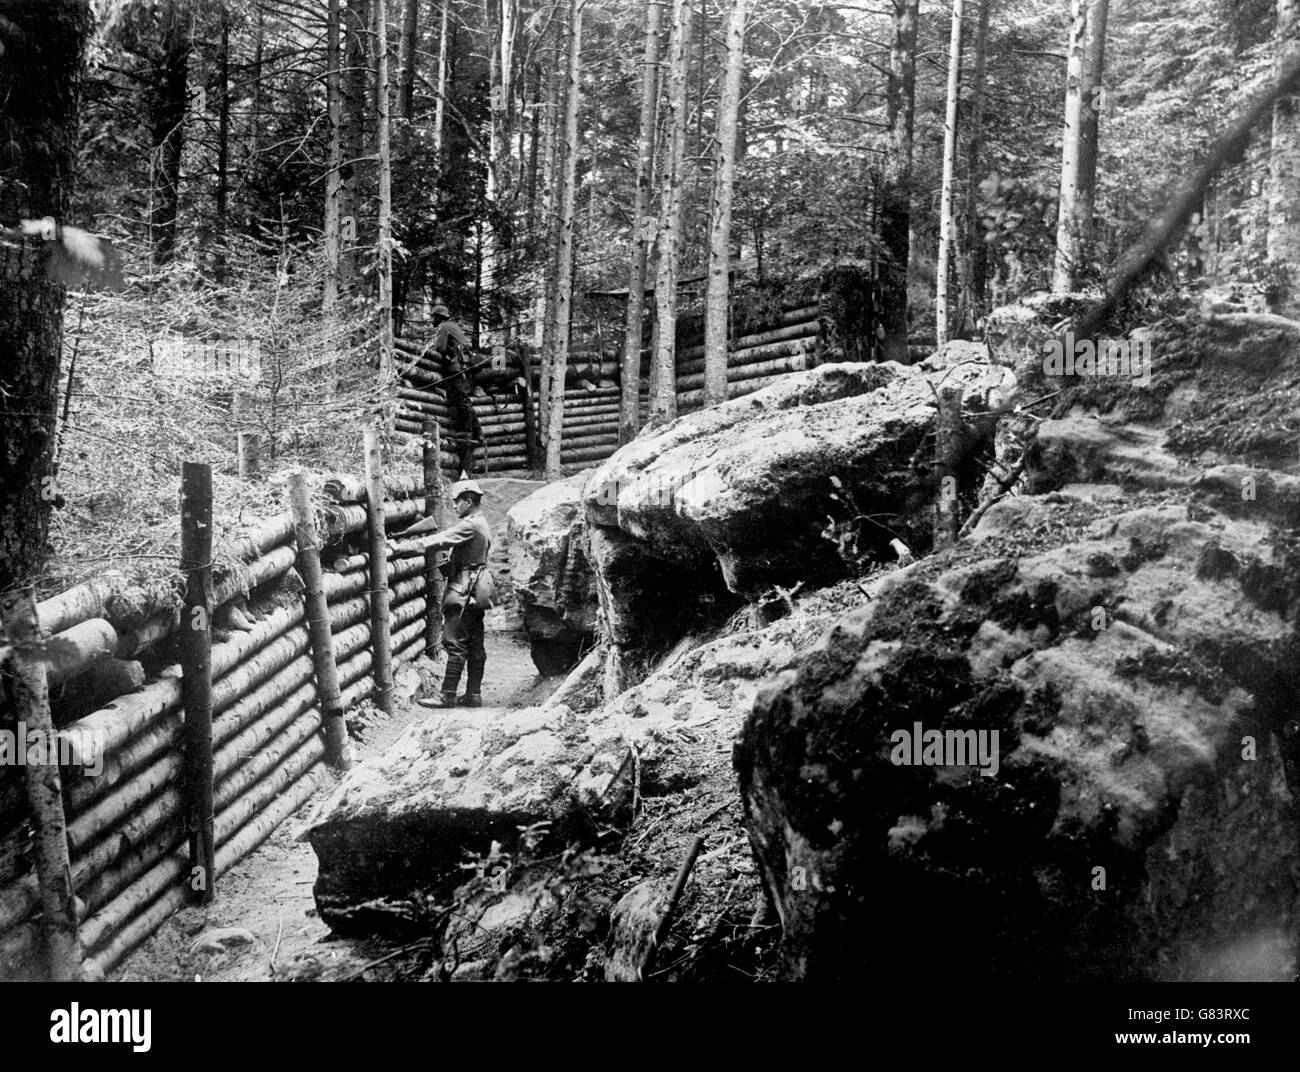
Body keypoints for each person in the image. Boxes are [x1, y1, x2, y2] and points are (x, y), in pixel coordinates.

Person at [395, 479, 493, 708]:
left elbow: (437, 540)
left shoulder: (470, 525)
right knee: (475, 642)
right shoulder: (479, 522)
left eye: (457, 502)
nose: (454, 506)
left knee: (455, 642)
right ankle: (473, 694)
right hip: (476, 587)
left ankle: (447, 695)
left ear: (468, 501)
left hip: (462, 588)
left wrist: (399, 548)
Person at [429, 304, 482, 475]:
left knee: (461, 400)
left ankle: (469, 431)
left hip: (455, 368)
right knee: (462, 400)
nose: (432, 320)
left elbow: (441, 348)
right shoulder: (453, 326)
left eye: (433, 316)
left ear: (439, 317)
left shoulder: (444, 327)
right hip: (463, 368)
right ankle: (477, 431)